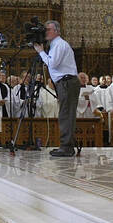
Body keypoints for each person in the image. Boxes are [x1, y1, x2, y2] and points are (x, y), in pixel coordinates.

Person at [32, 20, 80, 156]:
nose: (45, 32)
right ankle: (67, 145)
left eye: (48, 29)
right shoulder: (55, 45)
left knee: (66, 114)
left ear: (56, 31)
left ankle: (66, 147)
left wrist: (41, 52)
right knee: (66, 114)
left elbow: (52, 64)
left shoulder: (59, 44)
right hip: (65, 83)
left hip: (67, 82)